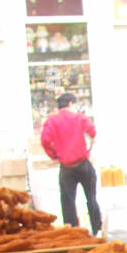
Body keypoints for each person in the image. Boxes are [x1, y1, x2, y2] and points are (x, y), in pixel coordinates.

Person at [40, 92, 101, 235]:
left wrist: (54, 155)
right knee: (91, 199)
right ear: (70, 104)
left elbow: (45, 140)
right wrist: (89, 147)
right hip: (83, 164)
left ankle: (73, 233)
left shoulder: (52, 121)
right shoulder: (79, 117)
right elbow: (92, 131)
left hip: (66, 167)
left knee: (67, 202)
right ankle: (97, 230)